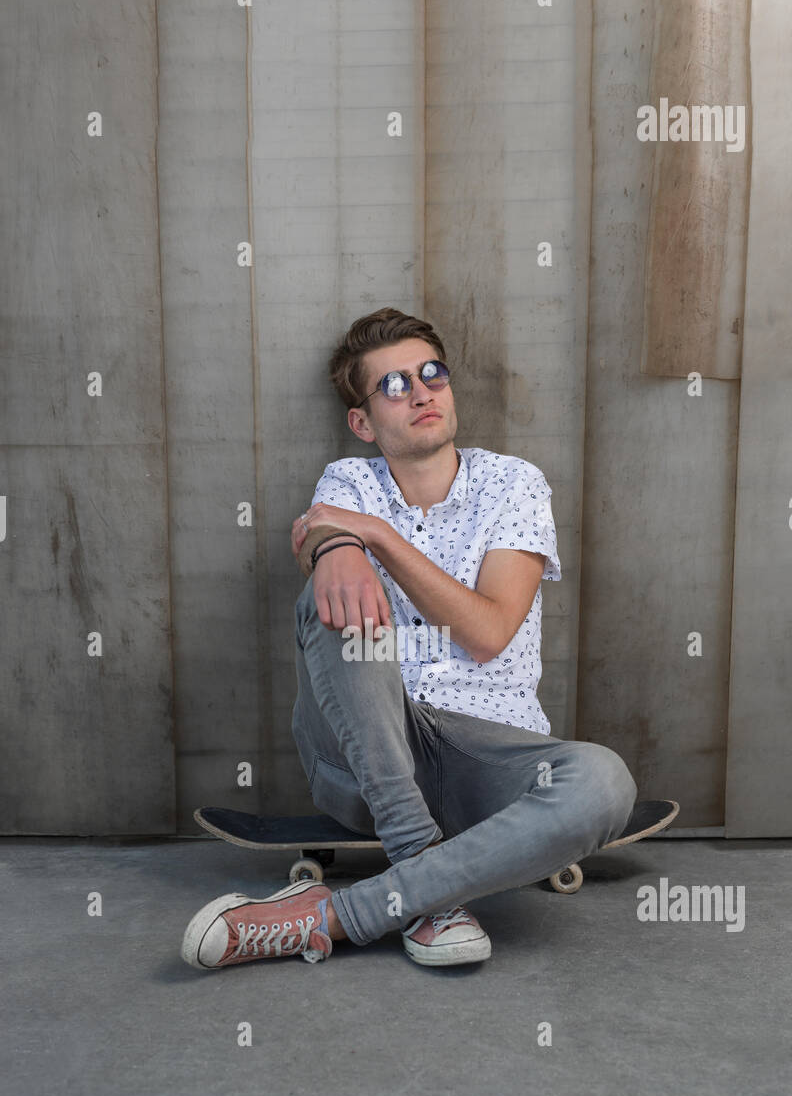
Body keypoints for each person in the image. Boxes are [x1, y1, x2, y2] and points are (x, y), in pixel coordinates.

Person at [181, 307, 637, 972]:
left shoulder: (513, 484)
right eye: (394, 384)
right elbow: (324, 548)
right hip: (365, 757)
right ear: (363, 422)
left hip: (488, 757)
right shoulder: (350, 483)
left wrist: (378, 538)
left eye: (432, 374)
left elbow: (486, 633)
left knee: (603, 782)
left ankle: (339, 914)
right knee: (334, 603)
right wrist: (333, 544)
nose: (422, 392)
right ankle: (420, 863)